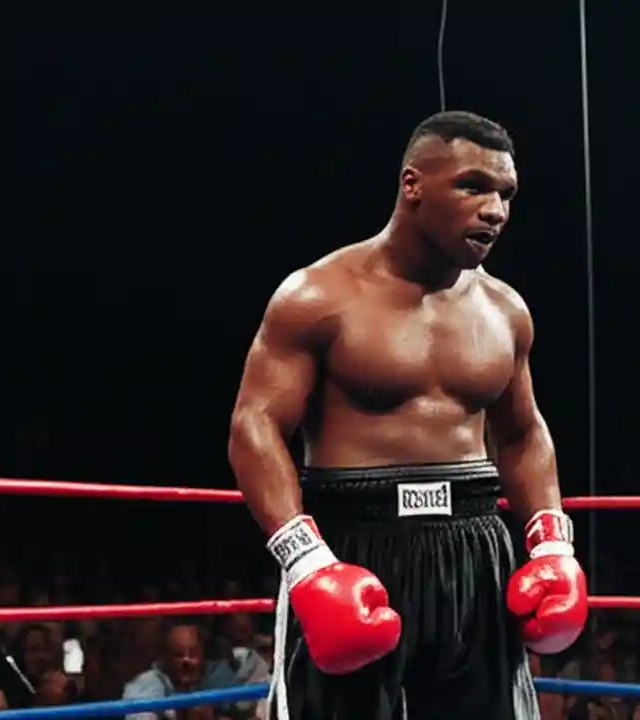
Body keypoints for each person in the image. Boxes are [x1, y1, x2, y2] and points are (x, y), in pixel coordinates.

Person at [228, 110, 588, 719]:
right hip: (352, 541)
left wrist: (552, 545)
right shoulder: (318, 295)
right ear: (413, 185)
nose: (496, 210)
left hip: (476, 545)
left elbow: (523, 435)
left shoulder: (505, 310)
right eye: (473, 185)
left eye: (506, 194)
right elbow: (254, 427)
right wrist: (308, 563)